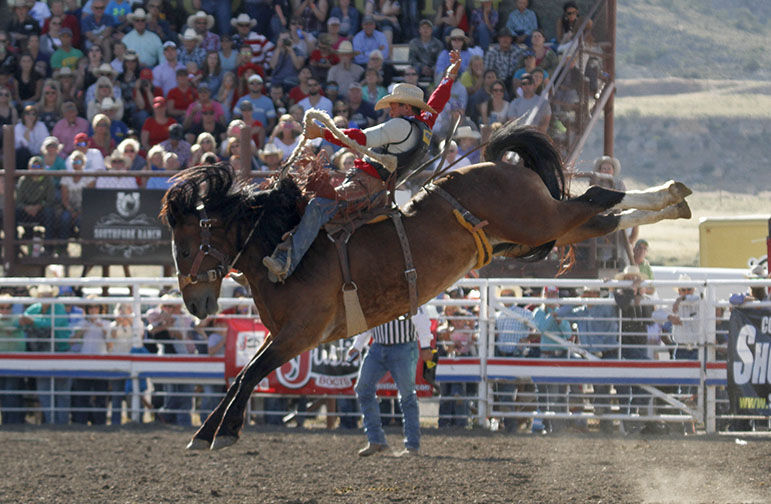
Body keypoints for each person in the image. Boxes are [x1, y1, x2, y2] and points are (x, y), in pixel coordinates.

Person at [262, 50, 462, 283]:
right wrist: (449, 75)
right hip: (373, 187)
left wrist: (322, 132)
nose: (390, 110)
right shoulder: (424, 125)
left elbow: (359, 138)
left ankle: (285, 262)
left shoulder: (400, 126)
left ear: (407, 108)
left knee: (316, 206)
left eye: (394, 105)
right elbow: (438, 100)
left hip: (367, 187)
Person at [346, 307, 434, 456]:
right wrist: (357, 345)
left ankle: (411, 445)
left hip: (402, 346)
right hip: (381, 346)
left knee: (406, 395)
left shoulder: (405, 293)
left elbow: (420, 317)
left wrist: (426, 345)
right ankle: (377, 440)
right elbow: (369, 319)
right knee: (364, 389)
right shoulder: (381, 297)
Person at [18, 284, 71, 424]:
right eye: (43, 296)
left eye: (48, 296)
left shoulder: (58, 308)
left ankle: (62, 422)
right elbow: (22, 320)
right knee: (44, 390)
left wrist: (31, 321)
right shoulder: (36, 308)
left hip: (60, 350)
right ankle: (51, 421)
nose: (46, 298)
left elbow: (51, 323)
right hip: (44, 352)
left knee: (61, 390)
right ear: (39, 297)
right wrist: (25, 321)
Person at [71, 295, 110, 425]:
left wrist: (103, 330)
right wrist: (82, 330)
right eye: (91, 307)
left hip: (102, 363)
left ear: (100, 309)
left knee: (101, 396)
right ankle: (80, 421)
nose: (93, 310)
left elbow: (111, 345)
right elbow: (71, 342)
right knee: (82, 395)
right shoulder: (81, 323)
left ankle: (100, 422)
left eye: (96, 307)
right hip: (84, 362)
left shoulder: (106, 324)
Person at [0, 294, 26, 424]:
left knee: (11, 391)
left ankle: (13, 421)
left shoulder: (17, 318)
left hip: (15, 361)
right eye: (2, 307)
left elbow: (19, 323)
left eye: (7, 307)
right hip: (3, 361)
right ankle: (8, 420)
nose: (5, 310)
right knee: (5, 392)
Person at [483, 27, 524, 91]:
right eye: (502, 37)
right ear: (499, 39)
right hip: (496, 83)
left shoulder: (518, 52)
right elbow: (487, 71)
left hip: (512, 83)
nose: (505, 40)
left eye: (508, 37)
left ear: (511, 39)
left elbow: (521, 70)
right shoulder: (491, 53)